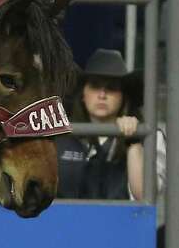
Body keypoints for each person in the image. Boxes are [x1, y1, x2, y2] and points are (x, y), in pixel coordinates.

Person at [55, 48, 165, 201]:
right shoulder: (56, 137)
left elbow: (145, 197)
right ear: (82, 94)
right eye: (94, 86)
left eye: (112, 87)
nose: (102, 95)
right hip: (61, 224)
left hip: (123, 224)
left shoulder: (148, 137)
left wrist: (133, 142)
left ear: (124, 96)